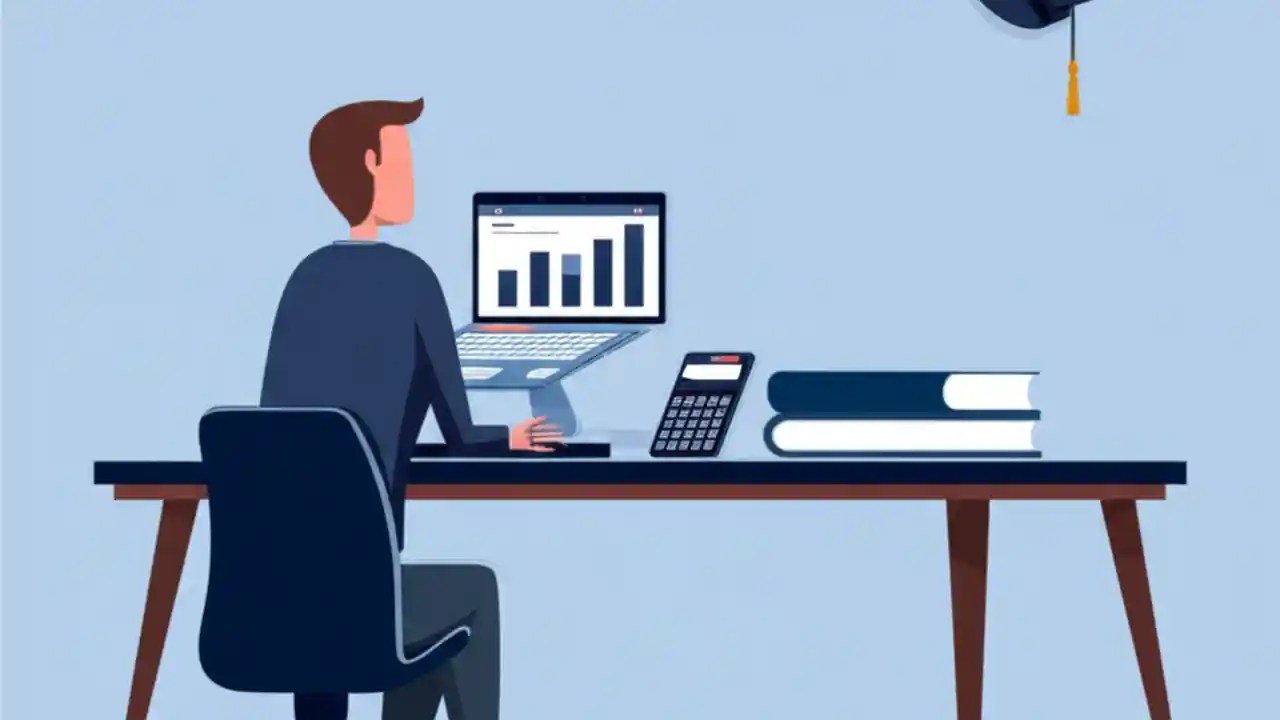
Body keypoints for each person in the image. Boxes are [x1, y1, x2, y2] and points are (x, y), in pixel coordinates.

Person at [260, 97, 561, 720]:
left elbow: (284, 426)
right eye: (404, 159)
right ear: (371, 163)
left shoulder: (303, 279)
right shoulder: (413, 278)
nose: (414, 176)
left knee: (374, 601)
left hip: (280, 607)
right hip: (362, 607)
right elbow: (460, 435)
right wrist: (516, 435)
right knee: (470, 593)